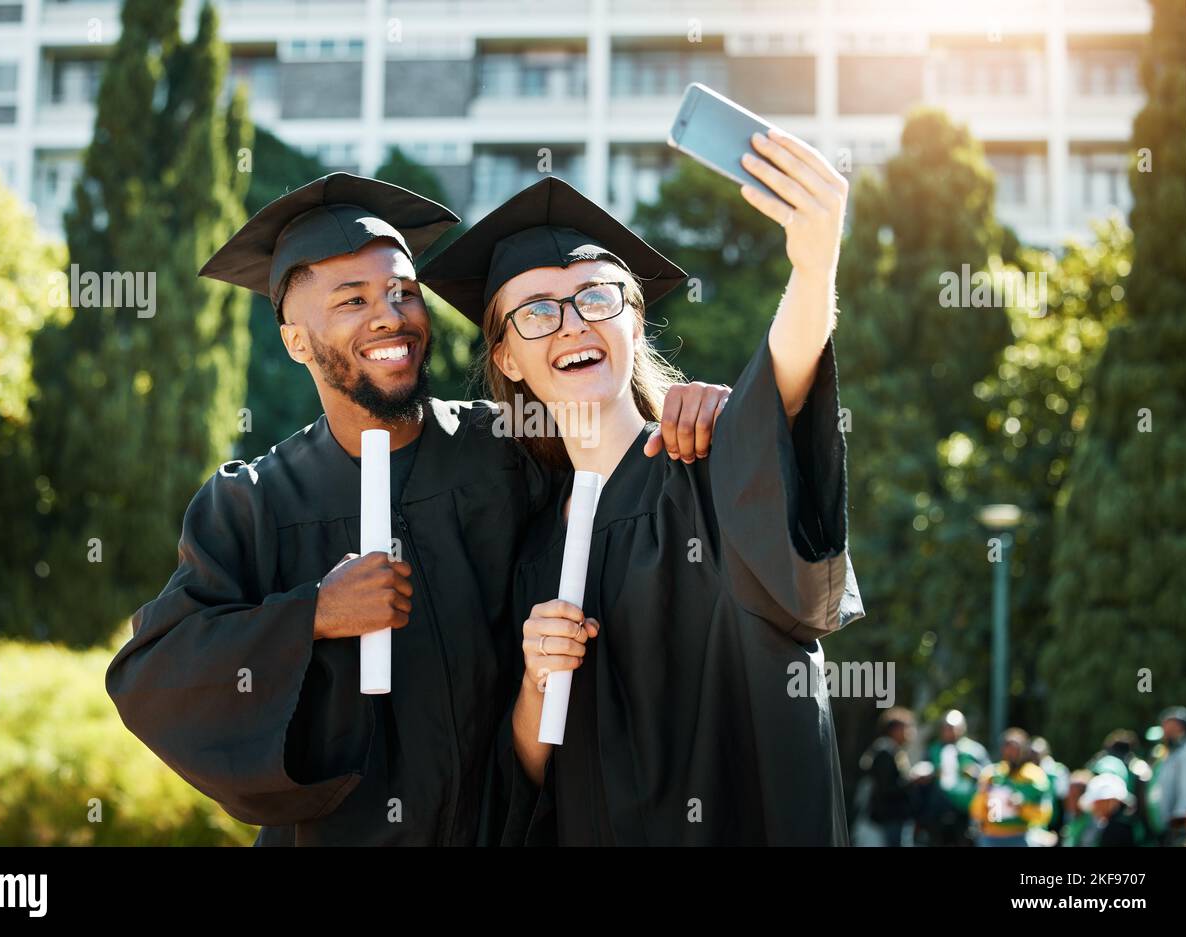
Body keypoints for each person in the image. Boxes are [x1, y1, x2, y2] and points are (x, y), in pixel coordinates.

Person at [104, 173, 727, 846]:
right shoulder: (255, 503)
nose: (389, 316)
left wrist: (691, 413)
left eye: (404, 291)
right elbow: (152, 677)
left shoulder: (510, 448)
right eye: (352, 300)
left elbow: (617, 453)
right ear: (296, 341)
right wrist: (314, 614)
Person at [421, 126, 864, 845]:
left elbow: (782, 385)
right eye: (536, 311)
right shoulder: (530, 546)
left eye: (596, 297)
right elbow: (524, 775)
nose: (571, 323)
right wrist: (538, 679)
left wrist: (813, 270)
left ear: (632, 316)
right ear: (503, 353)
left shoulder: (707, 470)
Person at [970, 728, 1052, 846]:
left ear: (1024, 750)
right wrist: (986, 796)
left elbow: (1044, 812)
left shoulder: (1034, 776)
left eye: (1015, 749)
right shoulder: (992, 774)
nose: (1011, 754)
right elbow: (977, 810)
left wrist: (1021, 805)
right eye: (1008, 748)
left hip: (1020, 835)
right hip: (991, 835)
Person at [922, 709, 988, 845]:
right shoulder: (934, 749)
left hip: (965, 812)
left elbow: (988, 775)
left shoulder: (974, 750)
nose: (950, 732)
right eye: (946, 728)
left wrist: (974, 773)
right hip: (938, 810)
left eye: (953, 728)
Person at [855, 708, 918, 847]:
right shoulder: (885, 751)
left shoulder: (893, 751)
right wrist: (912, 780)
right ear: (895, 729)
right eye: (906, 728)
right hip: (887, 819)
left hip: (891, 818)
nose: (910, 732)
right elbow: (886, 787)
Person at [1150, 705, 1186, 844]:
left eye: (1170, 727)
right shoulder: (1169, 756)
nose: (1165, 732)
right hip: (1167, 828)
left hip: (1180, 829)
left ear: (1181, 728)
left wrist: (1181, 825)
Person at [1073, 773, 1139, 847]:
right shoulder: (1124, 821)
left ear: (1110, 801)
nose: (1094, 807)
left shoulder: (1117, 828)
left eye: (1097, 802)